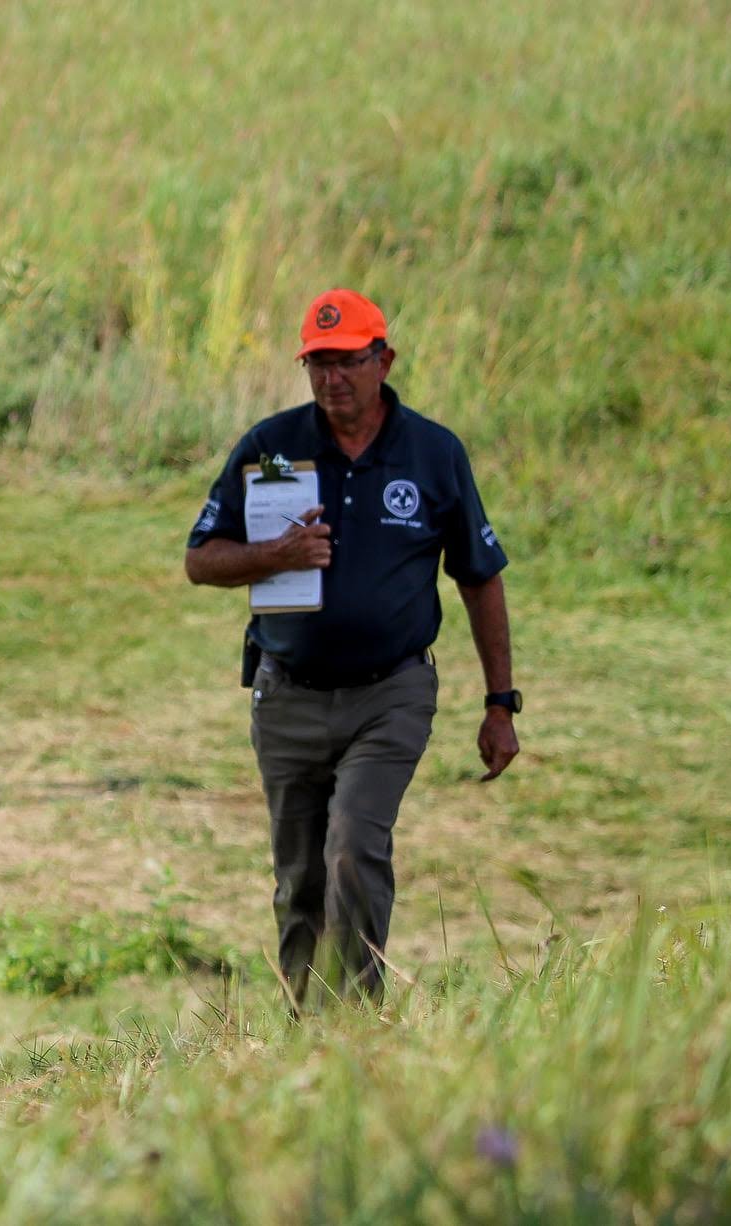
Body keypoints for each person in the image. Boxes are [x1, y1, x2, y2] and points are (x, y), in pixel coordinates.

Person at [183, 288, 520, 1007]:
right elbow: (199, 559)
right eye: (317, 364)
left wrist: (500, 702)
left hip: (389, 693)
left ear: (383, 359)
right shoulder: (270, 446)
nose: (332, 379)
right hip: (287, 696)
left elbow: (478, 578)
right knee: (299, 876)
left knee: (353, 847)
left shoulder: (432, 453)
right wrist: (274, 553)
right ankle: (310, 1028)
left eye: (348, 362)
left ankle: (359, 1020)